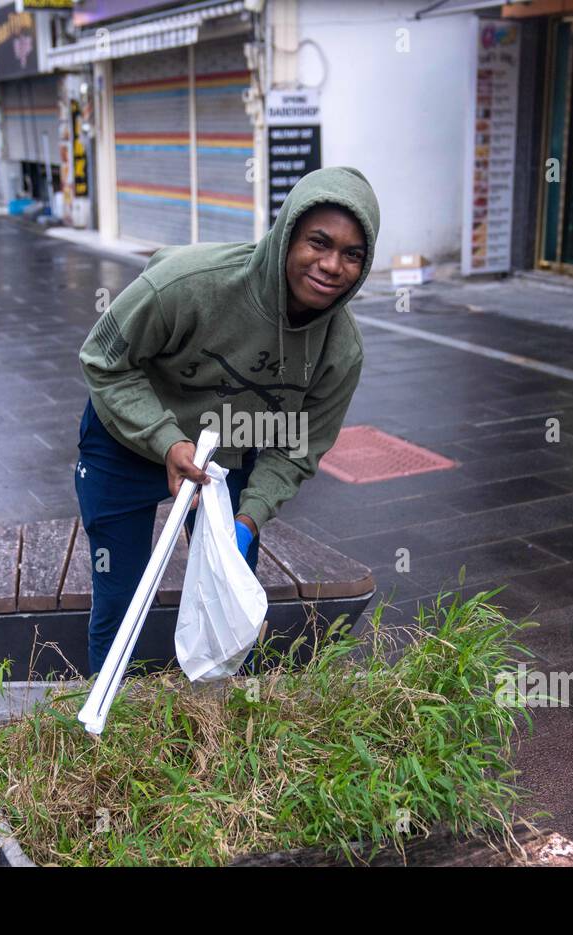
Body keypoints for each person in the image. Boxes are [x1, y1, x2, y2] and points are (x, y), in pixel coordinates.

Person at [75, 166, 381, 676]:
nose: (331, 266)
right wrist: (166, 439)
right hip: (126, 438)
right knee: (121, 596)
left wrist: (250, 516)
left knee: (233, 603)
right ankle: (108, 727)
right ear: (287, 237)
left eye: (352, 255)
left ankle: (228, 727)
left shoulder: (340, 348)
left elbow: (297, 445)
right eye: (318, 243)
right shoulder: (192, 283)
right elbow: (101, 356)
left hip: (226, 449)